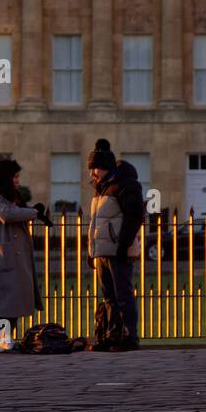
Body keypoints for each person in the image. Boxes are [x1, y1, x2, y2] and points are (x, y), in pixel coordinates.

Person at [0, 158, 50, 353]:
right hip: (2, 256)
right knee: (4, 299)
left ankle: (5, 337)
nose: (18, 180)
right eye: (15, 176)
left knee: (16, 297)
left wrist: (30, 211)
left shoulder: (12, 196)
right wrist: (32, 212)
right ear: (5, 177)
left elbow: (16, 211)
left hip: (17, 255)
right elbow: (6, 214)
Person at [86, 139, 144, 351]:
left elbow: (134, 216)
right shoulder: (101, 188)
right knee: (109, 297)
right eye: (91, 168)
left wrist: (123, 245)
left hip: (119, 251)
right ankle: (111, 336)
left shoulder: (127, 185)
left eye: (96, 168)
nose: (93, 173)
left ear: (107, 167)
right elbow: (96, 222)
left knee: (123, 296)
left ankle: (129, 337)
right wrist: (91, 251)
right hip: (102, 251)